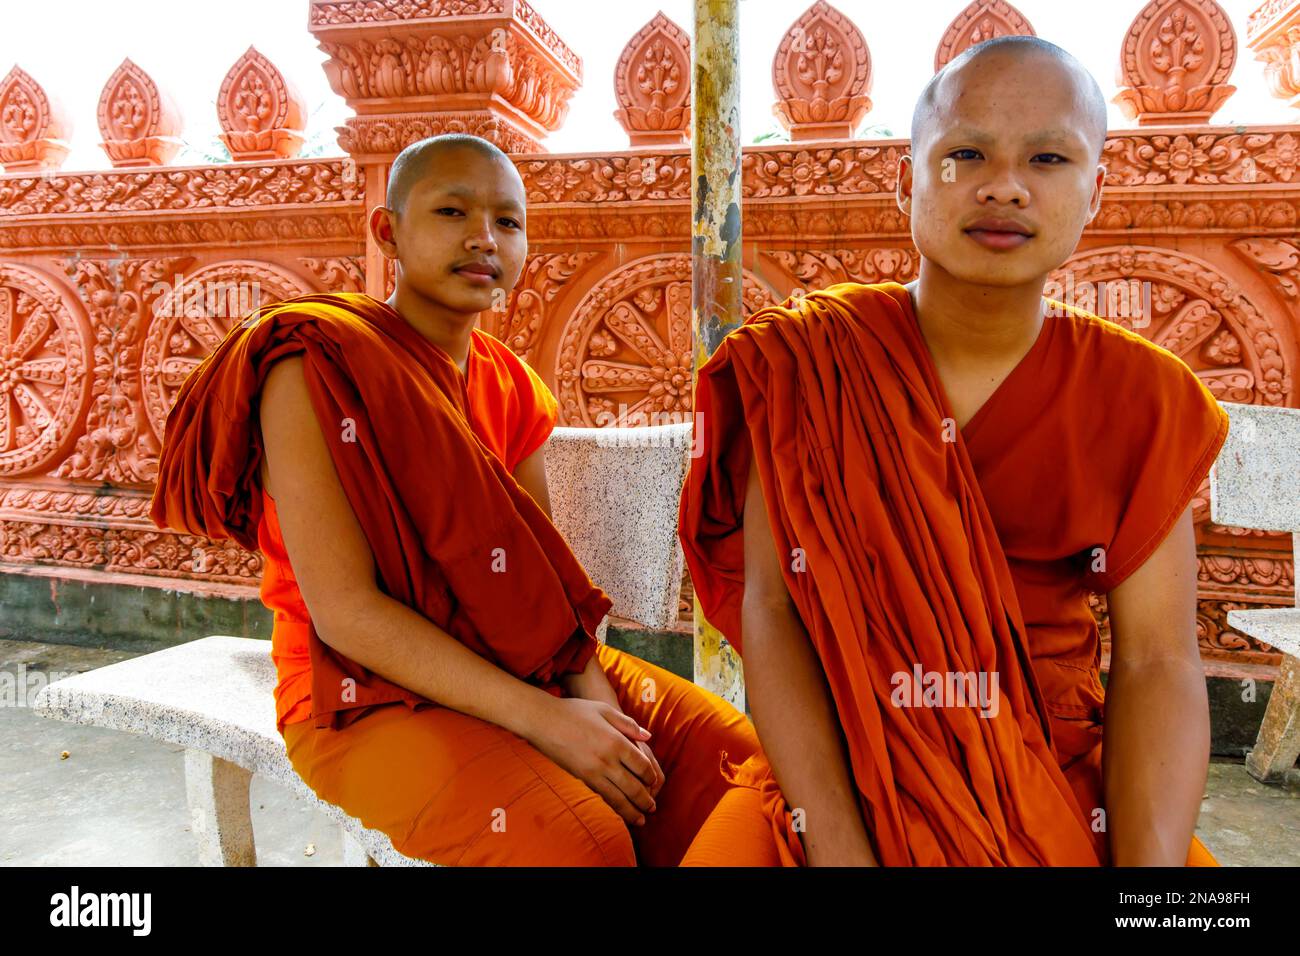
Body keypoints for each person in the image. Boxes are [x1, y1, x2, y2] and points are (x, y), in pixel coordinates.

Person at [676, 36, 1227, 866]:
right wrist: (833, 840)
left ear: (1094, 191)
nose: (1003, 185)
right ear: (908, 179)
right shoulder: (809, 362)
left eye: (1047, 157)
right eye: (965, 153)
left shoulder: (1142, 394)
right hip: (834, 766)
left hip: (1051, 773)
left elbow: (1157, 662)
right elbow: (774, 612)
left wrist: (1147, 872)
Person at [149, 133, 760, 866]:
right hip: (353, 694)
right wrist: (546, 721)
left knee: (747, 772)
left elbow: (540, 591)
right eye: (451, 211)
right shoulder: (317, 366)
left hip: (515, 664)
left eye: (508, 222)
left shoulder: (515, 389)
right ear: (389, 231)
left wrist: (590, 707)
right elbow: (348, 614)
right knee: (578, 842)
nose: (483, 238)